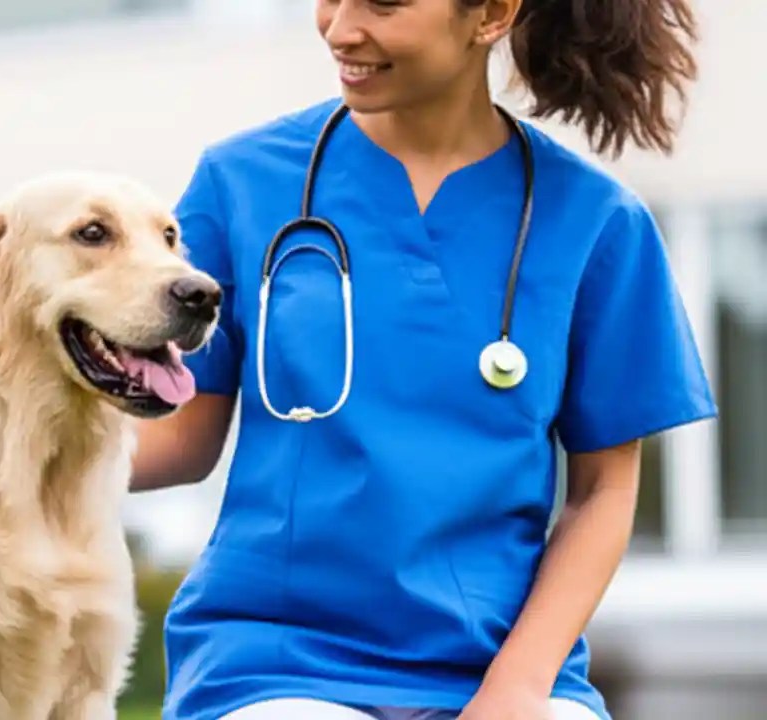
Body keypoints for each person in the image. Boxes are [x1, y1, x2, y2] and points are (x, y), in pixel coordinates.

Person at [131, 1, 715, 719]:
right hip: (278, 664)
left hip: (501, 664)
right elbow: (178, 438)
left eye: (382, 2)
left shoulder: (595, 222)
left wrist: (517, 690)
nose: (340, 27)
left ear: (493, 14)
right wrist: (2, 457)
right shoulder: (239, 183)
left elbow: (600, 494)